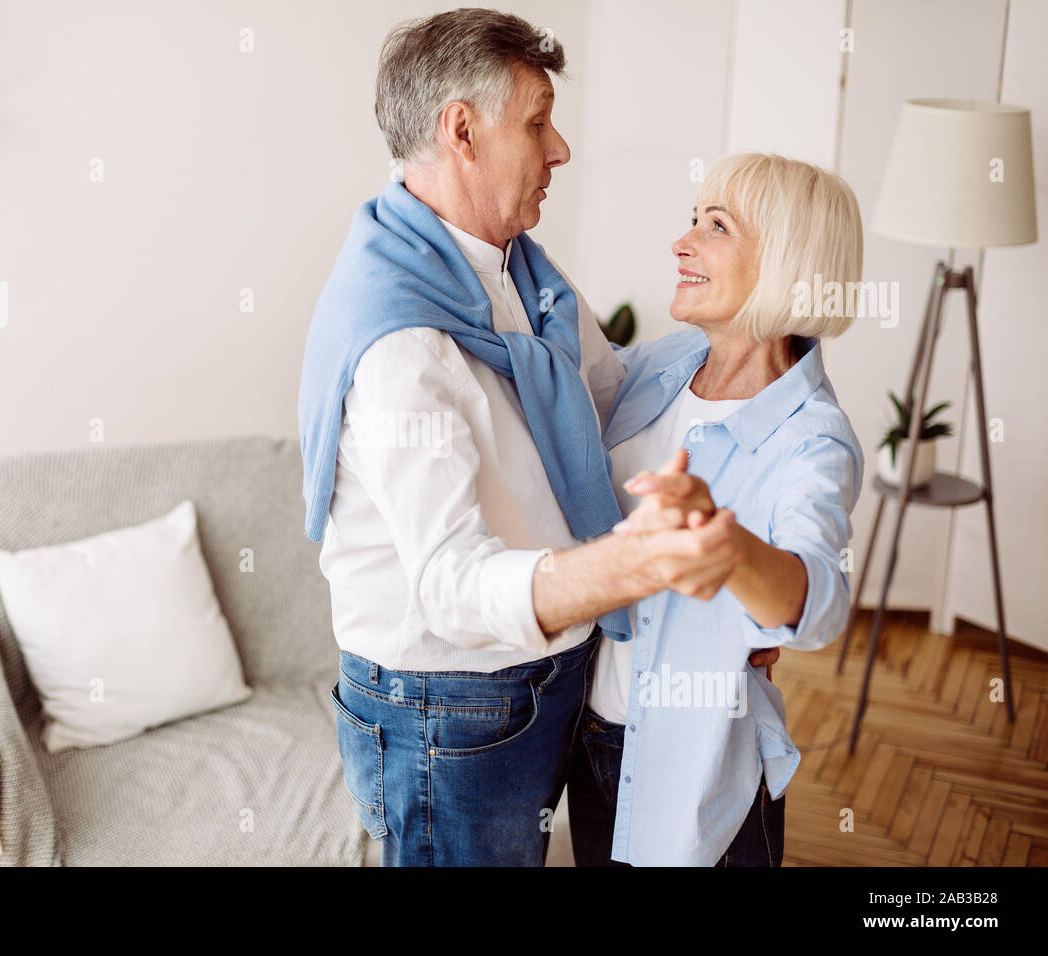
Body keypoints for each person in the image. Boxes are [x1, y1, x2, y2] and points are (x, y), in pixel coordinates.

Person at [297, 9, 775, 867]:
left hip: (548, 681)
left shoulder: (513, 271)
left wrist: (744, 333)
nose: (560, 150)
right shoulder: (405, 345)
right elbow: (451, 586)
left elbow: (615, 391)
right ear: (463, 130)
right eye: (538, 121)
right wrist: (638, 563)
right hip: (451, 710)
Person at [567, 152, 866, 866]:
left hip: (699, 770)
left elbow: (818, 596)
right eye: (692, 220)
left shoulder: (812, 441)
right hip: (594, 736)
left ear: (788, 262)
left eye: (717, 226)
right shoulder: (665, 365)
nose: (683, 243)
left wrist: (726, 548)